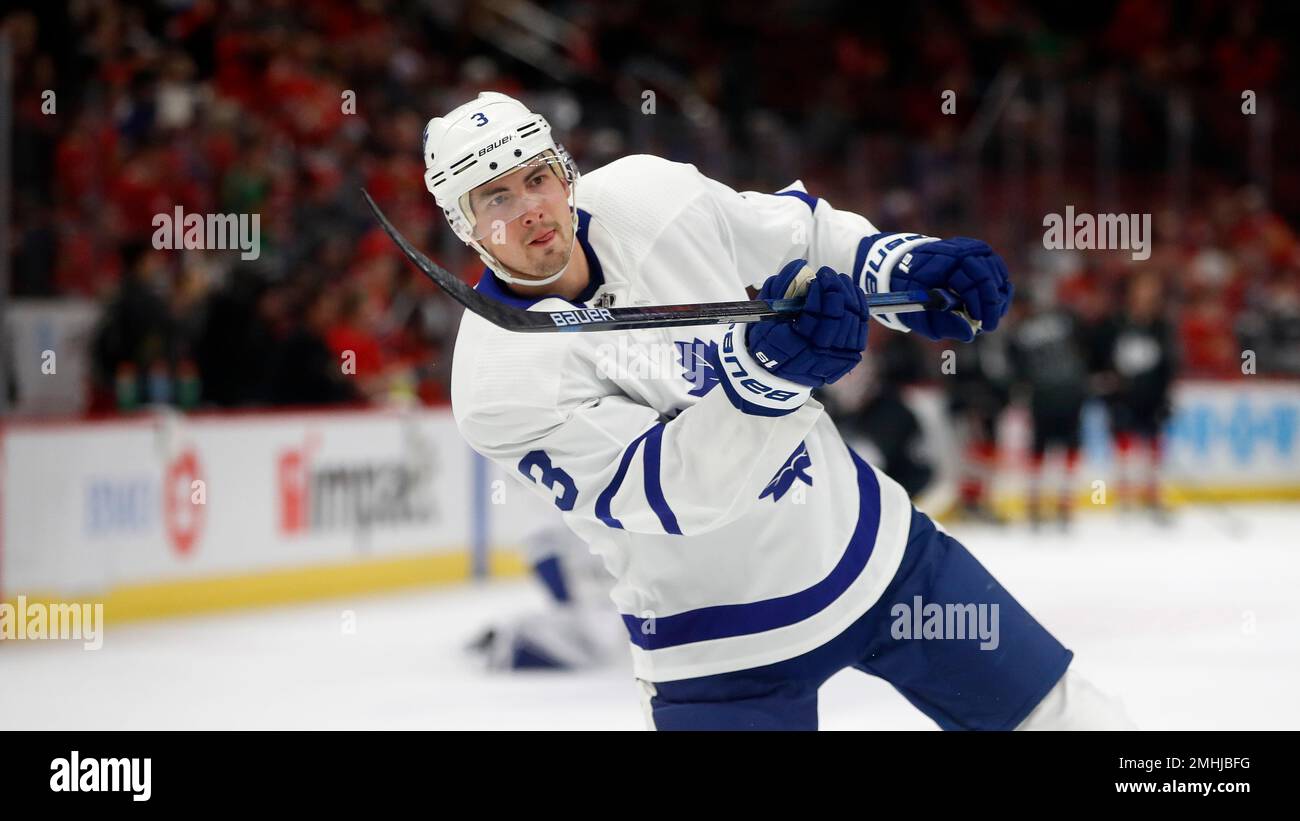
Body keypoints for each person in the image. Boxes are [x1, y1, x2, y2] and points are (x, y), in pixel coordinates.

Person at [430, 92, 1133, 730]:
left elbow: (793, 236)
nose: (529, 208)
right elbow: (671, 490)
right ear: (465, 224)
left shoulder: (650, 193)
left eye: (536, 177)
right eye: (494, 198)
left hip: (877, 557)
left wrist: (900, 268)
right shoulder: (498, 381)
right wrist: (763, 375)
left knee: (1068, 720)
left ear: (564, 171)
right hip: (715, 646)